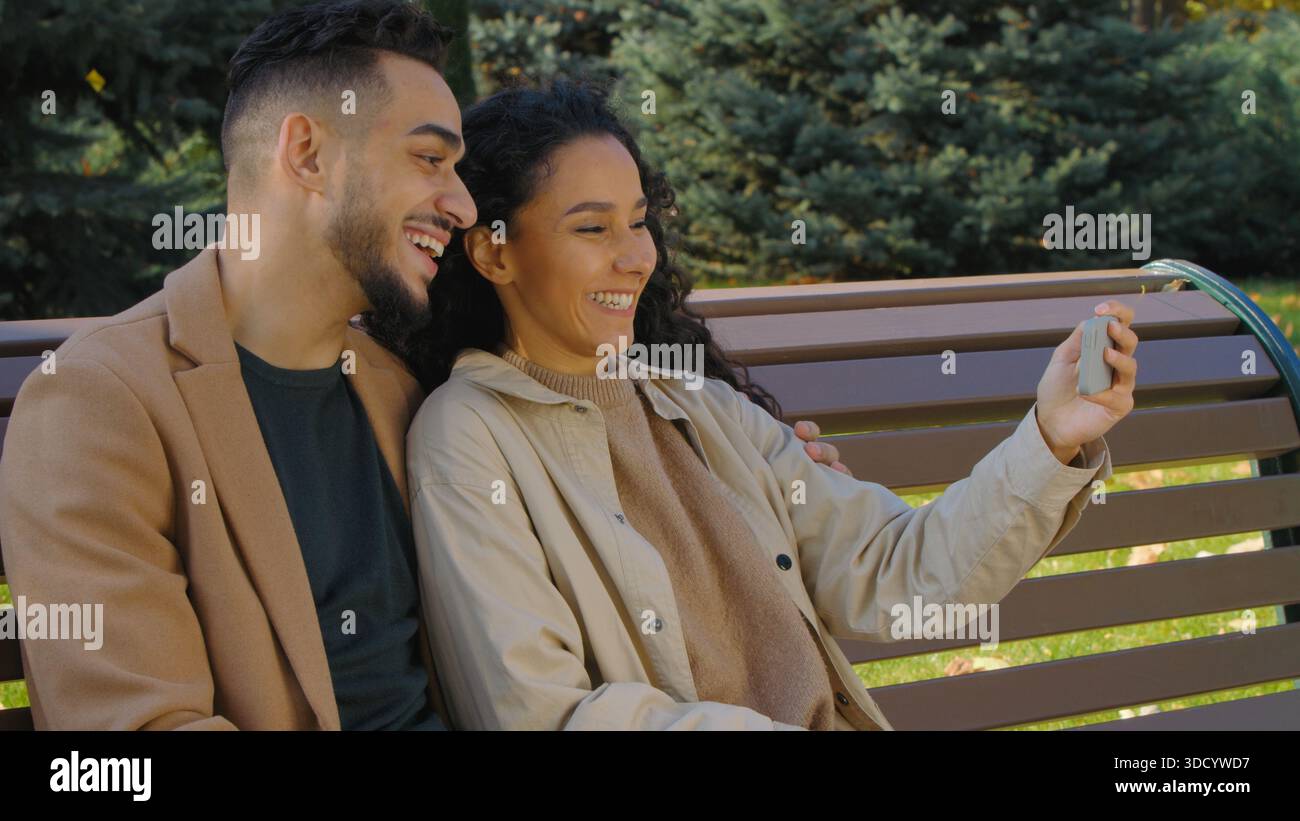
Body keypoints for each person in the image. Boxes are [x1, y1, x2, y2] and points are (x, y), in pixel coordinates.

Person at [0, 0, 844, 730]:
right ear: (306, 152)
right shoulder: (98, 401)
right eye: (431, 160)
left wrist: (765, 487)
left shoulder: (403, 390)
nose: (464, 203)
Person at [397, 81, 1133, 730]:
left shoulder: (701, 406)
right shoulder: (469, 437)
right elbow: (543, 713)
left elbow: (899, 571)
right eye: (592, 228)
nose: (634, 256)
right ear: (494, 253)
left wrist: (1050, 436)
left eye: (639, 219)